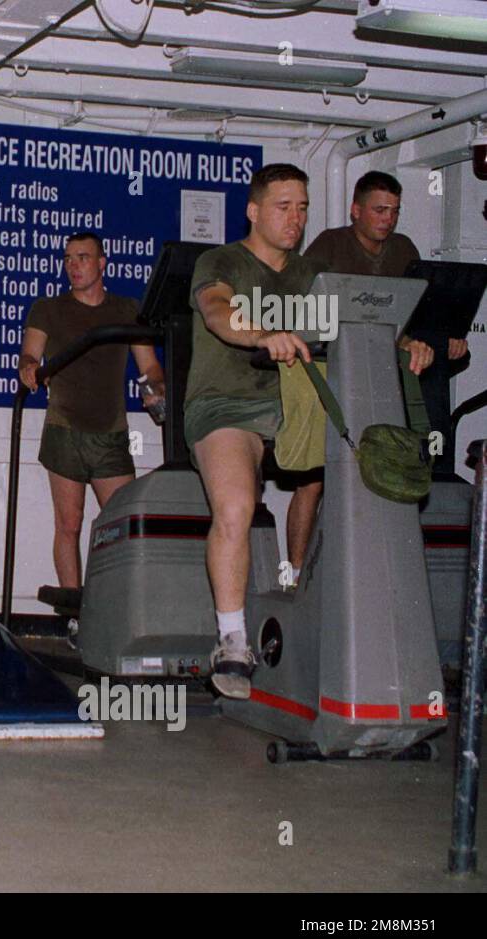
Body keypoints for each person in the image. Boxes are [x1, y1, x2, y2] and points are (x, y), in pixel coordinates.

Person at [185, 163, 321, 699]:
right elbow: (217, 312)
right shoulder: (220, 261)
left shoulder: (311, 275)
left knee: (360, 467)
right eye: (284, 206)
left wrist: (409, 344)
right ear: (254, 210)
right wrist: (263, 333)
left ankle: (304, 594)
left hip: (291, 406)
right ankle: (233, 639)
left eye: (304, 207)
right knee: (238, 506)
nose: (296, 218)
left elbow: (357, 323)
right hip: (224, 408)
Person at [283, 171, 441, 580]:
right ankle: (295, 574)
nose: (387, 219)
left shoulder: (404, 249)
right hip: (331, 376)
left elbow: (407, 314)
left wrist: (415, 341)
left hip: (381, 381)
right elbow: (303, 312)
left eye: (394, 211)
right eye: (379, 210)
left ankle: (379, 572)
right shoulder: (329, 246)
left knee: (386, 469)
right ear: (356, 210)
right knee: (314, 479)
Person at [17, 231, 165, 592]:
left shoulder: (126, 310)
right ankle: (72, 612)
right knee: (69, 523)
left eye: (83, 257)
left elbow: (150, 368)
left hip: (110, 432)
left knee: (123, 524)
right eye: (68, 259)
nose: (74, 266)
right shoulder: (48, 309)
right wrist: (28, 367)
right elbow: (30, 355)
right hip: (64, 429)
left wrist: (155, 390)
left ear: (102, 263)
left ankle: (115, 604)